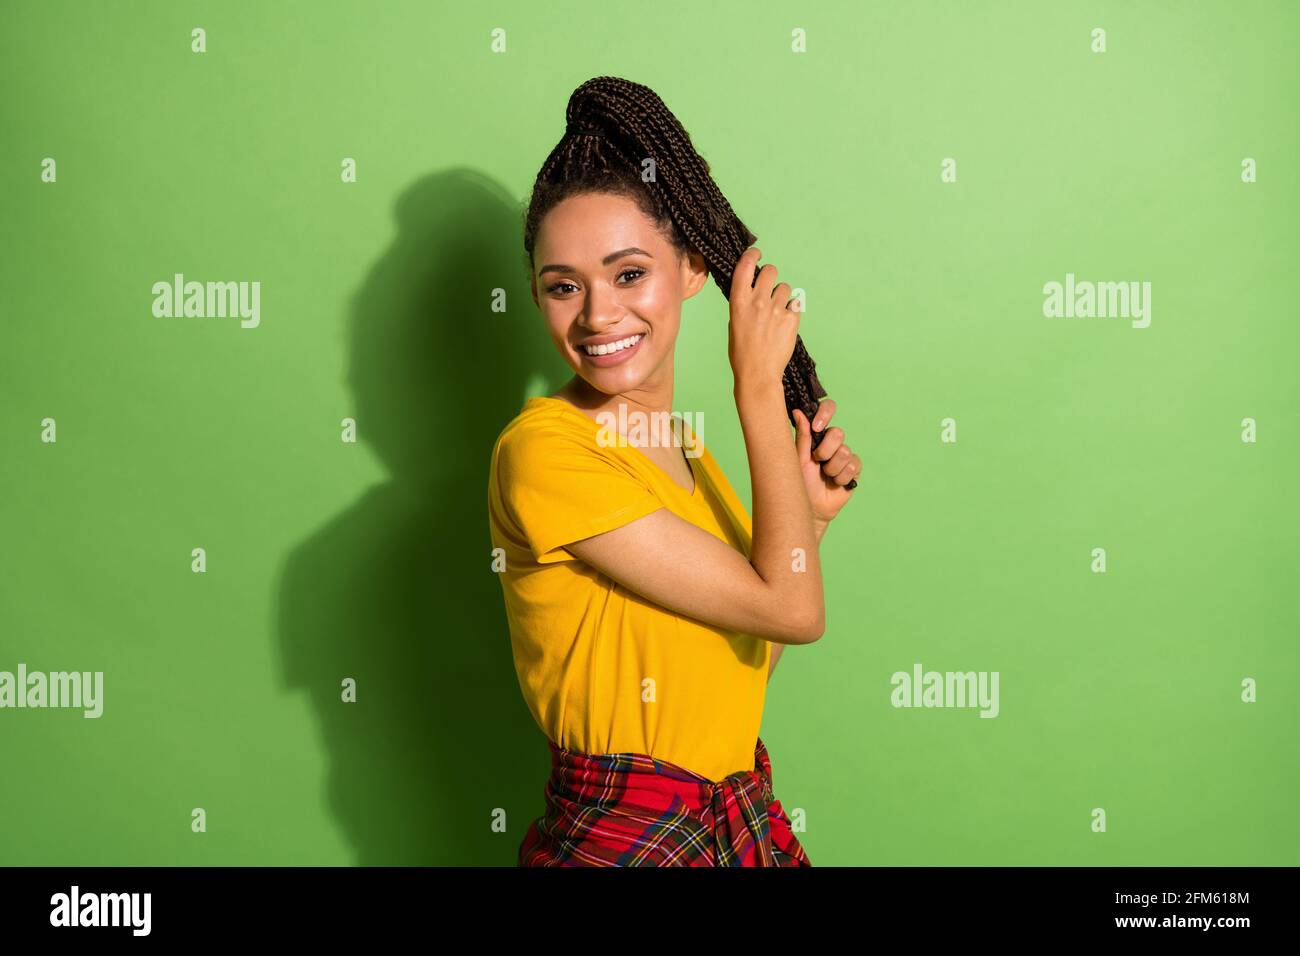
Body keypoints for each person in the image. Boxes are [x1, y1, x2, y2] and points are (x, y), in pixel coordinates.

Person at [487, 76, 861, 866]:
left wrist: (811, 518)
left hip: (735, 817)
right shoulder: (544, 451)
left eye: (629, 274)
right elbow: (795, 612)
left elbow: (742, 659)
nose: (597, 315)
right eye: (563, 287)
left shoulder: (688, 450)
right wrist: (758, 389)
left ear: (693, 268)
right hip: (625, 837)